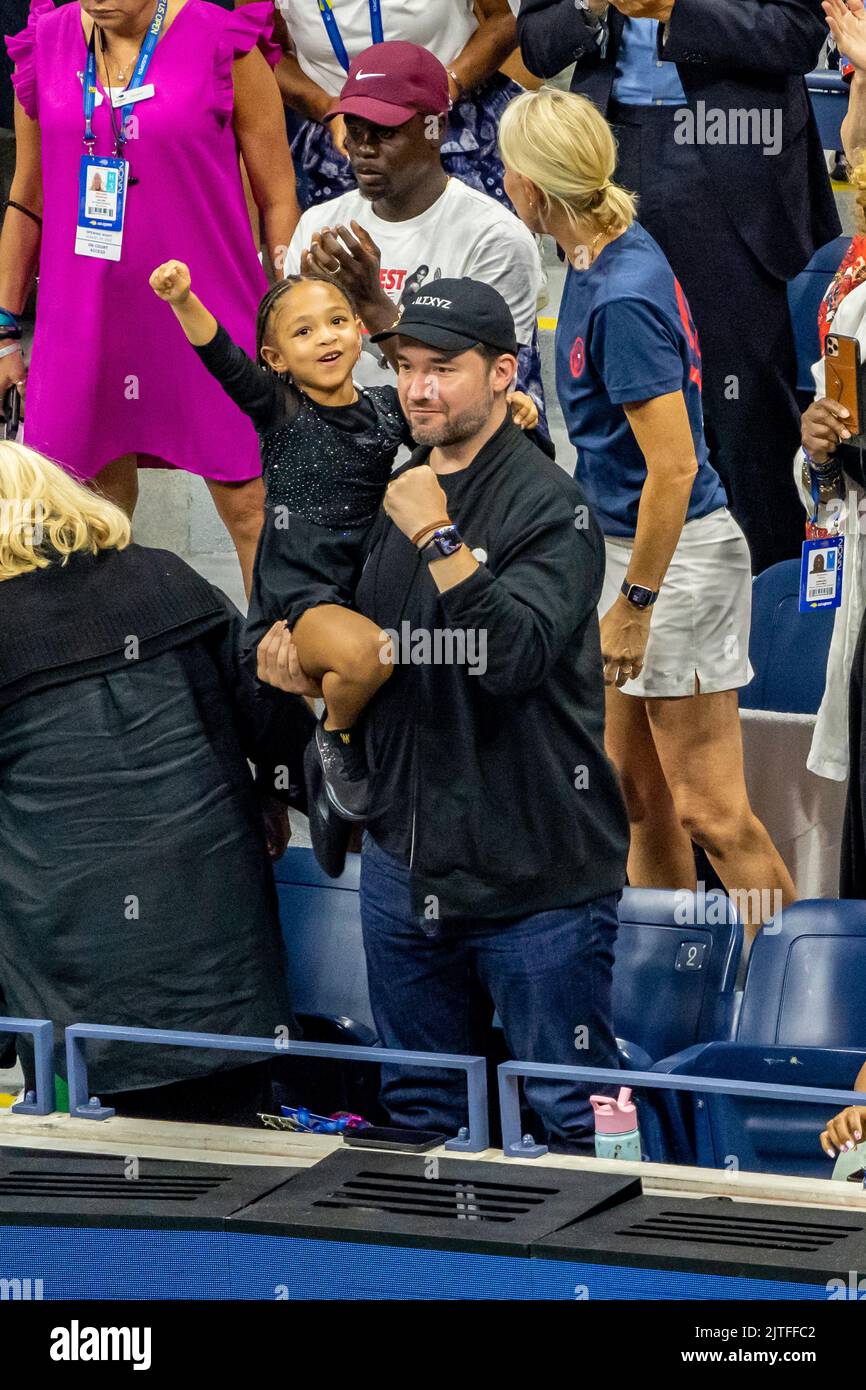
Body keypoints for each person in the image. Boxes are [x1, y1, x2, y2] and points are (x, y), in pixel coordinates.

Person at [256, 277, 631, 1154]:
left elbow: (512, 661)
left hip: (541, 882)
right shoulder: (395, 492)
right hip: (406, 875)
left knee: (582, 1114)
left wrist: (440, 538)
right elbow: (380, 649)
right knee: (423, 1117)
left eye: (446, 371)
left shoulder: (554, 508)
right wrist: (302, 664)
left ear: (504, 375)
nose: (420, 390)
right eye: (409, 369)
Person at [499, 87, 796, 941]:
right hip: (625, 552)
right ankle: (679, 979)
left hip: (673, 564)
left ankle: (787, 985)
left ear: (535, 186)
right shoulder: (601, 252)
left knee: (711, 810)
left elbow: (673, 466)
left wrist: (633, 606)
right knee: (634, 794)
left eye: (512, 168)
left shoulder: (622, 293)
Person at [150, 259, 538, 820]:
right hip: (301, 595)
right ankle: (335, 735)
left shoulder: (388, 408)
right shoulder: (281, 409)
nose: (325, 337)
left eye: (336, 321)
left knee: (410, 658)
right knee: (373, 655)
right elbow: (224, 361)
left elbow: (450, 417)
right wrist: (184, 299)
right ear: (276, 360)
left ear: (360, 330)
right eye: (302, 332)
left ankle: (350, 796)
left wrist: (513, 404)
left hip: (366, 582)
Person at [0, 440, 314, 1123]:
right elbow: (278, 721)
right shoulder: (166, 578)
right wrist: (271, 790)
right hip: (224, 968)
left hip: (72, 987)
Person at [516, 0, 841, 575]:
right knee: (611, 390)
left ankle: (770, 606)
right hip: (607, 148)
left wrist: (673, 11)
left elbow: (799, 34)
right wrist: (588, 6)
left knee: (745, 408)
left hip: (739, 148)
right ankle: (631, 585)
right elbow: (539, 45)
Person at [0, 0, 299, 595]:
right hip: (84, 320)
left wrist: (285, 310)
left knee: (252, 508)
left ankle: (285, 678)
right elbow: (27, 197)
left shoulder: (225, 42)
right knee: (82, 517)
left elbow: (278, 195)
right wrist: (5, 327)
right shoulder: (45, 44)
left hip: (209, 314)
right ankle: (108, 676)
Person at [282, 42, 548, 426]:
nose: (364, 150)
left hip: (447, 457)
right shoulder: (318, 225)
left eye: (385, 133)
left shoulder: (494, 237)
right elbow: (288, 368)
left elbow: (474, 393)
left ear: (435, 127)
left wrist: (370, 303)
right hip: (341, 452)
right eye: (355, 133)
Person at [272, 0, 521, 211]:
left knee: (479, 251)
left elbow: (505, 19)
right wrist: (326, 105)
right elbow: (264, 53)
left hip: (455, 123)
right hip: (343, 134)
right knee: (353, 259)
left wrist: (450, 82)